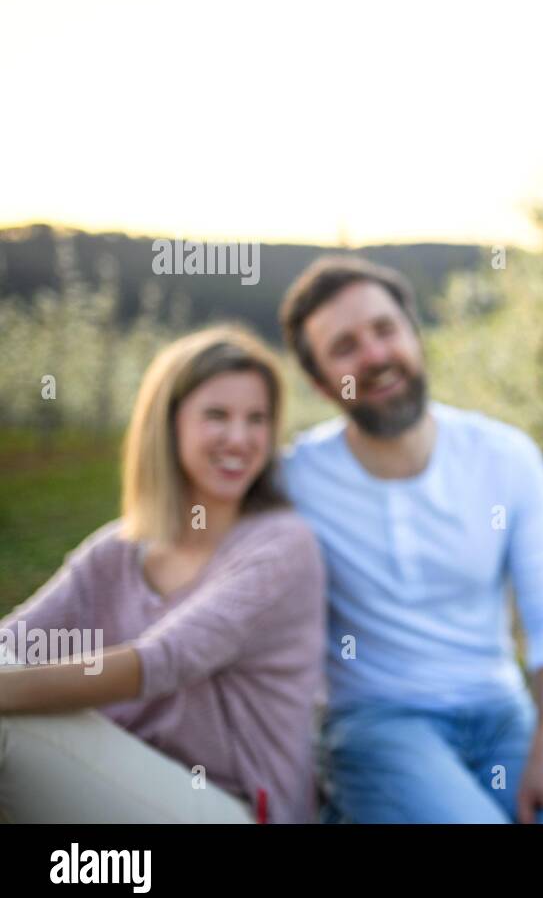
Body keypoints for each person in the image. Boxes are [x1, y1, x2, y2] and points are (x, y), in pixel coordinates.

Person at [279, 255, 543, 823]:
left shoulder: (505, 457)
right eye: (345, 346)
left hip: (503, 715)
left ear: (414, 334)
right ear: (318, 382)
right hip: (378, 724)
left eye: (385, 330)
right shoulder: (296, 479)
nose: (376, 356)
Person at [0, 326, 325, 823]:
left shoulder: (282, 545)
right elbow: (14, 642)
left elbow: (165, 659)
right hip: (121, 778)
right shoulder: (118, 549)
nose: (240, 438)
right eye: (217, 415)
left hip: (239, 807)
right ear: (167, 423)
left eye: (256, 419)